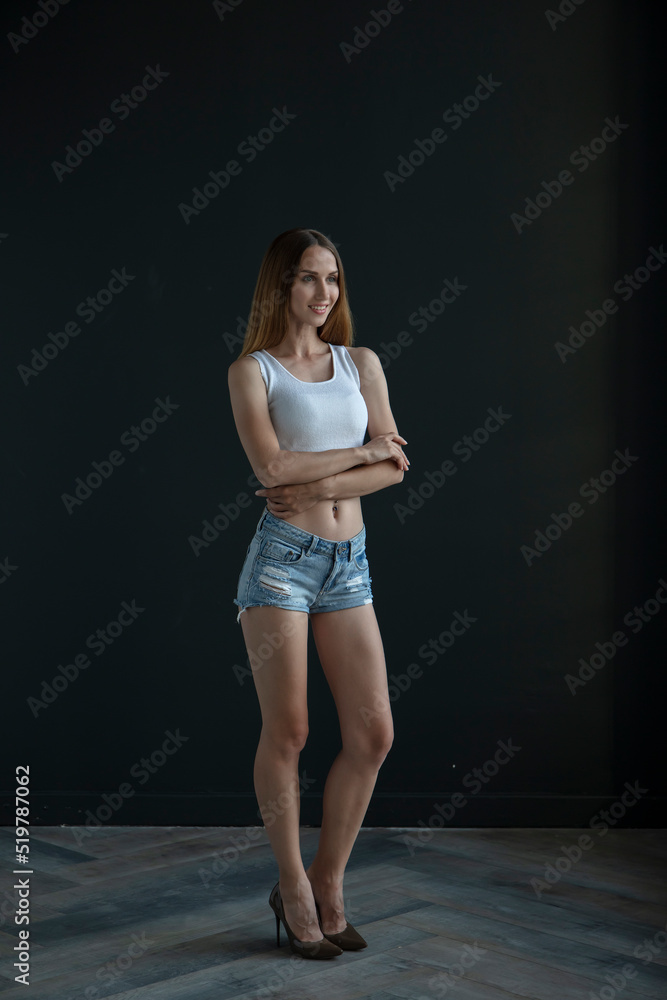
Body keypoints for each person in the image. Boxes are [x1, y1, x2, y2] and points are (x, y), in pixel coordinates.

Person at [227, 228, 409, 959]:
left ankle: (328, 880)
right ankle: (292, 886)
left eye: (332, 279)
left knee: (373, 734)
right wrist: (361, 452)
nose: (324, 293)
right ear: (281, 285)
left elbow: (395, 464)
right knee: (291, 732)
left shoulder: (360, 363)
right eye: (308, 277)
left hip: (348, 564)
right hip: (281, 565)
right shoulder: (253, 372)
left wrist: (328, 481)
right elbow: (272, 468)